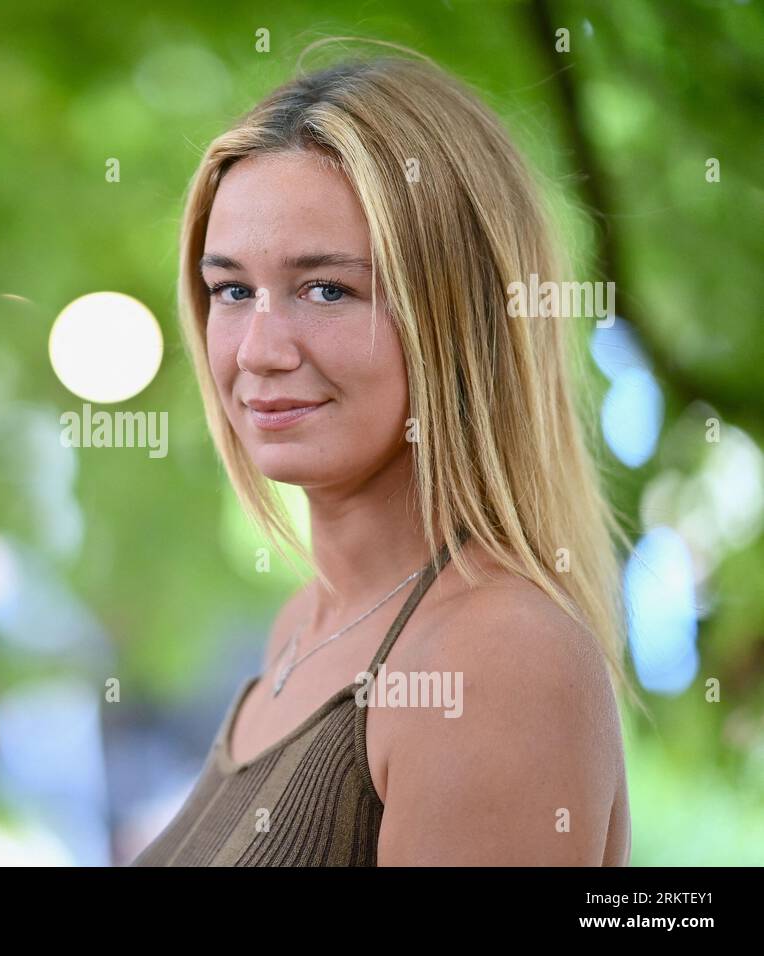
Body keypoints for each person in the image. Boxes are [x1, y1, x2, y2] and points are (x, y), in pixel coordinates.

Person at [131, 43, 633, 866]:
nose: (259, 349)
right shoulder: (307, 623)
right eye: (232, 290)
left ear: (457, 319)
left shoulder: (497, 660)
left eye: (327, 288)